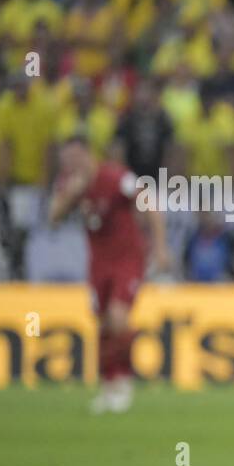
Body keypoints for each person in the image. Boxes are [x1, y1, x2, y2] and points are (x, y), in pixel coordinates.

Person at [48, 136, 169, 413]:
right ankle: (109, 383)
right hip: (98, 263)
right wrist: (70, 195)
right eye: (66, 160)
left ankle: (124, 381)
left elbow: (149, 204)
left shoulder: (115, 176)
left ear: (88, 154)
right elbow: (52, 218)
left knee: (118, 317)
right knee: (103, 324)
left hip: (128, 259)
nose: (71, 164)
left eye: (75, 157)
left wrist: (160, 247)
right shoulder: (69, 185)